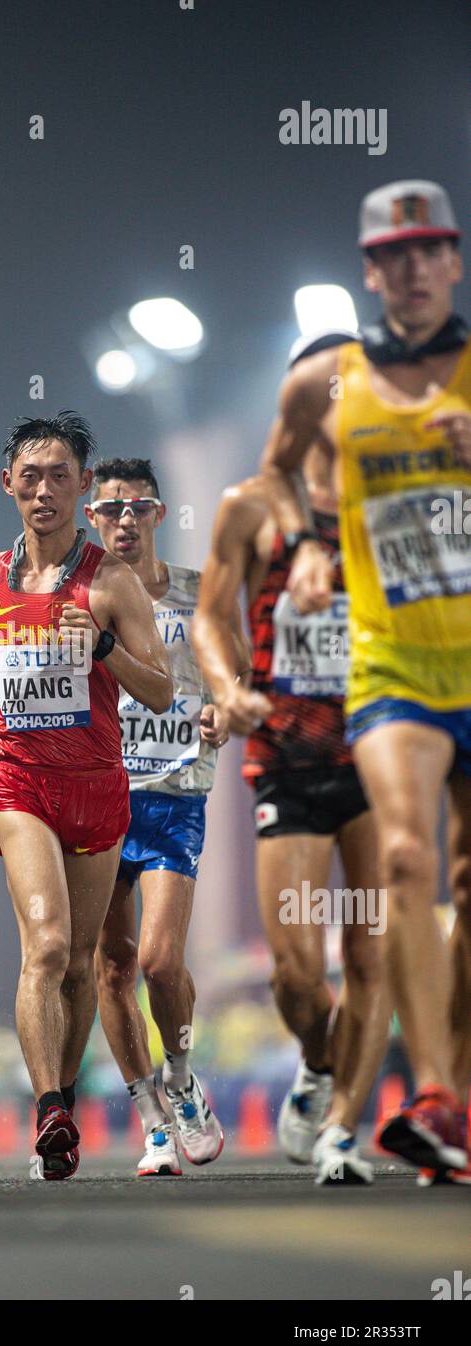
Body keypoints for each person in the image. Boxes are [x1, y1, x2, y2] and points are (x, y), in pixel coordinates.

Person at [259, 180, 471, 1181]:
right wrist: (303, 539)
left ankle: (453, 1097)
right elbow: (274, 467)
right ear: (368, 272)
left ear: (453, 262)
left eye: (430, 252)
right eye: (394, 257)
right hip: (390, 669)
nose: (414, 270)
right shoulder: (326, 384)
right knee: (401, 854)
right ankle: (427, 1089)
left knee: (464, 889)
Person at [0, 412, 172, 1179]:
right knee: (44, 944)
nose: (44, 490)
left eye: (60, 477)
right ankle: (47, 1108)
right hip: (21, 784)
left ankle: (65, 1103)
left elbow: (163, 692)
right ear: (7, 483)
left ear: (82, 486)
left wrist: (104, 646)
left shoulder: (110, 582)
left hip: (98, 786)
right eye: (30, 476)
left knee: (81, 963)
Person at [193, 337, 391, 1182]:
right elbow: (208, 616)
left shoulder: (387, 502)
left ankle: (346, 1127)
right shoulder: (252, 504)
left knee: (374, 951)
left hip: (383, 753)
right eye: (332, 386)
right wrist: (228, 687)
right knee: (298, 976)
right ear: (298, 402)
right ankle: (318, 1061)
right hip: (285, 760)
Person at [85, 458, 243, 1176]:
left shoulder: (196, 592)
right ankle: (151, 1118)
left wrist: (221, 708)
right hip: (99, 796)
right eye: (110, 509)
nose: (124, 521)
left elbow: (234, 672)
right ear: (92, 519)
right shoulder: (80, 598)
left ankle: (181, 1076)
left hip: (175, 794)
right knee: (110, 966)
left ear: (158, 514)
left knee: (158, 959)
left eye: (136, 509)